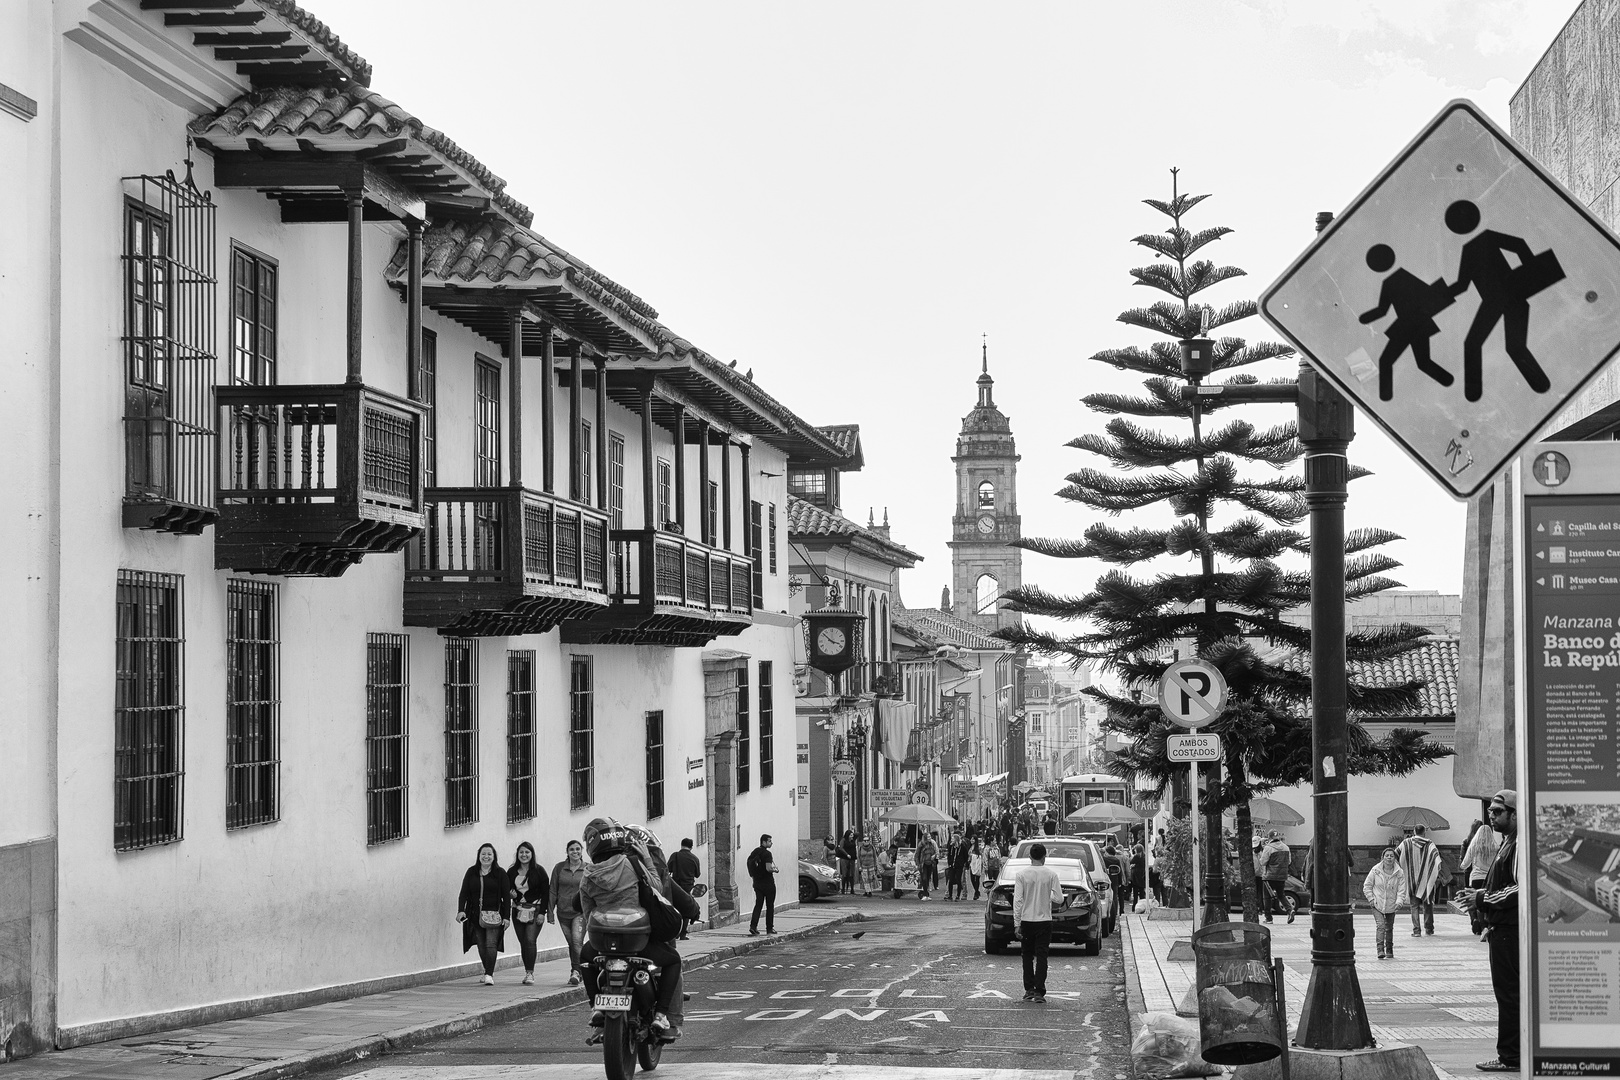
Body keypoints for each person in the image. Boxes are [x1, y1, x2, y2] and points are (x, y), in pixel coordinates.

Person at [577, 818, 681, 1035]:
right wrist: (646, 859)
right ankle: (661, 1015)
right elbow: (657, 887)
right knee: (673, 960)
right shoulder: (631, 864)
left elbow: (588, 915)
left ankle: (596, 1007)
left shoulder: (587, 876)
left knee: (585, 959)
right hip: (637, 941)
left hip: (603, 943)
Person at [1461, 789, 1519, 1073]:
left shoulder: (1518, 843)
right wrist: (1480, 894)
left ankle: (1511, 1056)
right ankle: (1512, 1053)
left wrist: (1482, 898)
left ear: (1514, 813)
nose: (1491, 816)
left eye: (1498, 812)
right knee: (1507, 994)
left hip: (1510, 930)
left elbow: (1521, 888)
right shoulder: (1508, 842)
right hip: (1502, 929)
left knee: (1509, 994)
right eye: (1490, 812)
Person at [1012, 842, 1065, 1003]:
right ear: (1044, 857)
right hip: (1044, 920)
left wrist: (1017, 922)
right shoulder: (1051, 875)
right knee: (1042, 955)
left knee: (1027, 955)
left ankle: (1028, 988)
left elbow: (1018, 900)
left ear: (1030, 857)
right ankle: (1039, 990)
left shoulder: (1021, 875)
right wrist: (1047, 896)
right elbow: (1060, 898)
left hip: (1027, 920)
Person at [456, 842, 511, 986]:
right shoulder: (471, 872)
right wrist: (461, 910)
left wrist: (507, 917)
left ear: (494, 856)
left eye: (489, 854)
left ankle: (489, 974)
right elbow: (464, 893)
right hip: (476, 915)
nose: (486, 857)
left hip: (494, 915)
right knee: (481, 944)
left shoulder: (500, 873)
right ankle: (487, 970)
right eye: (483, 854)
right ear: (479, 856)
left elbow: (506, 896)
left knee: (491, 944)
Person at [507, 841, 549, 986]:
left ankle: (530, 973)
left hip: (535, 909)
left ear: (532, 854)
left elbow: (546, 893)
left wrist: (542, 913)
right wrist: (511, 895)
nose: (524, 855)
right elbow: (507, 890)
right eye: (521, 852)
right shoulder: (511, 871)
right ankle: (527, 971)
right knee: (523, 942)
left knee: (530, 940)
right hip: (517, 910)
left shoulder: (539, 871)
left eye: (527, 852)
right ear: (517, 854)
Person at [549, 839, 588, 985]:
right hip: (563, 912)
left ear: (581, 851)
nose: (575, 852)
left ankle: (577, 972)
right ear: (567, 852)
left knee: (577, 942)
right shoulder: (559, 868)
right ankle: (580, 969)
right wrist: (550, 911)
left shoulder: (588, 869)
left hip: (580, 912)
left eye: (578, 849)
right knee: (572, 943)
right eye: (572, 849)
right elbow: (553, 890)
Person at [1395, 823, 1441, 935]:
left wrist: (1402, 869)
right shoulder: (1430, 844)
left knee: (1414, 906)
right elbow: (1437, 860)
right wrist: (1434, 873)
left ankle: (1416, 930)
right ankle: (1429, 929)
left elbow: (1395, 854)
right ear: (1424, 832)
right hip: (1426, 880)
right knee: (1428, 905)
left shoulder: (1405, 843)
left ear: (1414, 832)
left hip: (1411, 880)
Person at [1363, 847, 1406, 960]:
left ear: (1395, 859)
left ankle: (1389, 950)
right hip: (1378, 903)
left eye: (1391, 856)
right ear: (1383, 857)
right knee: (1381, 926)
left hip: (1391, 904)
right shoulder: (1375, 870)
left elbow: (1402, 890)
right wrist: (1371, 899)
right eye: (1387, 855)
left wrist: (1399, 901)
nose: (1389, 858)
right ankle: (1380, 950)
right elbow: (1367, 886)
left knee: (1389, 928)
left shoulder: (1399, 872)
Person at [1461, 818, 1499, 937]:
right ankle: (1487, 926)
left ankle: (1481, 927)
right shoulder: (1496, 847)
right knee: (1487, 902)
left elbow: (1464, 864)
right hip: (1490, 878)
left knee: (1477, 903)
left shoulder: (1474, 846)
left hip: (1476, 878)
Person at [667, 838, 702, 940]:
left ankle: (675, 932)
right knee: (686, 909)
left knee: (674, 908)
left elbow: (668, 868)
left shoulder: (675, 855)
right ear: (691, 847)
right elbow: (697, 874)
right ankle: (683, 933)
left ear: (681, 845)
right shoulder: (694, 858)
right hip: (688, 887)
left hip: (676, 886)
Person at [746, 833, 778, 935]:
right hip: (768, 884)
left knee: (758, 905)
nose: (771, 843)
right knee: (770, 906)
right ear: (764, 842)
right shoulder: (767, 854)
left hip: (757, 883)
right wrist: (775, 870)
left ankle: (753, 926)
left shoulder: (755, 852)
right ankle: (769, 928)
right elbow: (768, 868)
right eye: (769, 841)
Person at [1260, 832, 1294, 924]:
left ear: (1269, 837)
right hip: (1282, 875)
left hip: (1269, 876)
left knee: (1267, 897)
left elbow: (1263, 862)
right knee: (1281, 895)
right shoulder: (1286, 847)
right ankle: (1290, 910)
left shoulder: (1268, 848)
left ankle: (1268, 918)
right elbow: (1289, 862)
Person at [915, 830, 940, 901]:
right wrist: (917, 863)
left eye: (930, 837)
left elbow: (936, 852)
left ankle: (926, 893)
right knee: (924, 878)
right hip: (923, 864)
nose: (930, 838)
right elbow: (917, 855)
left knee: (928, 878)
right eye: (928, 837)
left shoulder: (932, 843)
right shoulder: (921, 844)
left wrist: (934, 856)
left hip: (930, 863)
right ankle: (925, 894)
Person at [948, 833, 971, 901]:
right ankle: (950, 895)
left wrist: (963, 863)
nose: (951, 840)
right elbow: (949, 855)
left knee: (959, 880)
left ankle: (958, 895)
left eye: (952, 838)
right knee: (951, 880)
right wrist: (949, 863)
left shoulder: (962, 847)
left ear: (956, 839)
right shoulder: (951, 847)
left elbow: (965, 856)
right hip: (952, 866)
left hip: (959, 866)